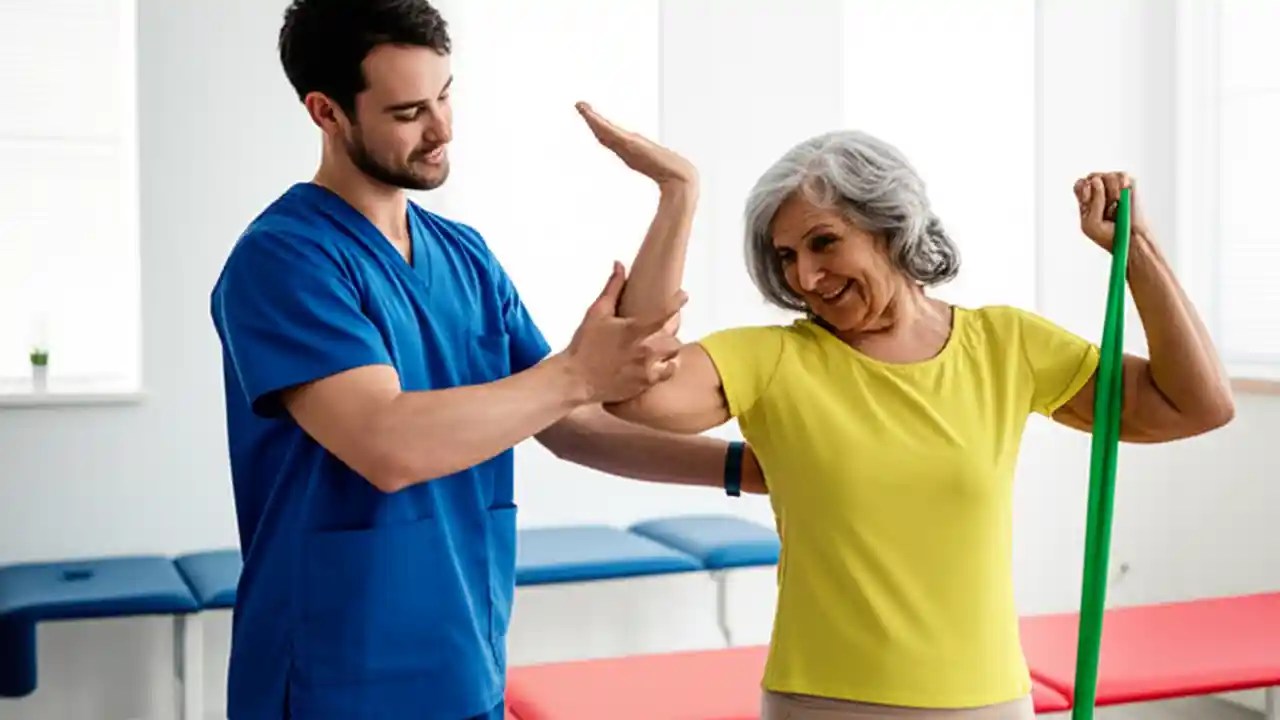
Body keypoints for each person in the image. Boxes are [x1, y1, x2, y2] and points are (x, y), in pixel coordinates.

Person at [573, 103, 1236, 719]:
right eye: (786, 257)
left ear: (889, 226)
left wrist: (1137, 251)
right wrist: (677, 195)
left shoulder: (1007, 346)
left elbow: (1195, 405)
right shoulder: (772, 360)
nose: (803, 276)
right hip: (822, 699)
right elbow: (636, 390)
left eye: (824, 243)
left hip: (984, 699)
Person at [208, 3, 764, 718]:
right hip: (332, 678)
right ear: (327, 112)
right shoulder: (284, 259)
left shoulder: (464, 256)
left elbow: (571, 423)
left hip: (464, 664)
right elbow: (388, 443)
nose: (441, 129)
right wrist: (575, 371)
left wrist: (749, 469)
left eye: (445, 94)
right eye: (409, 111)